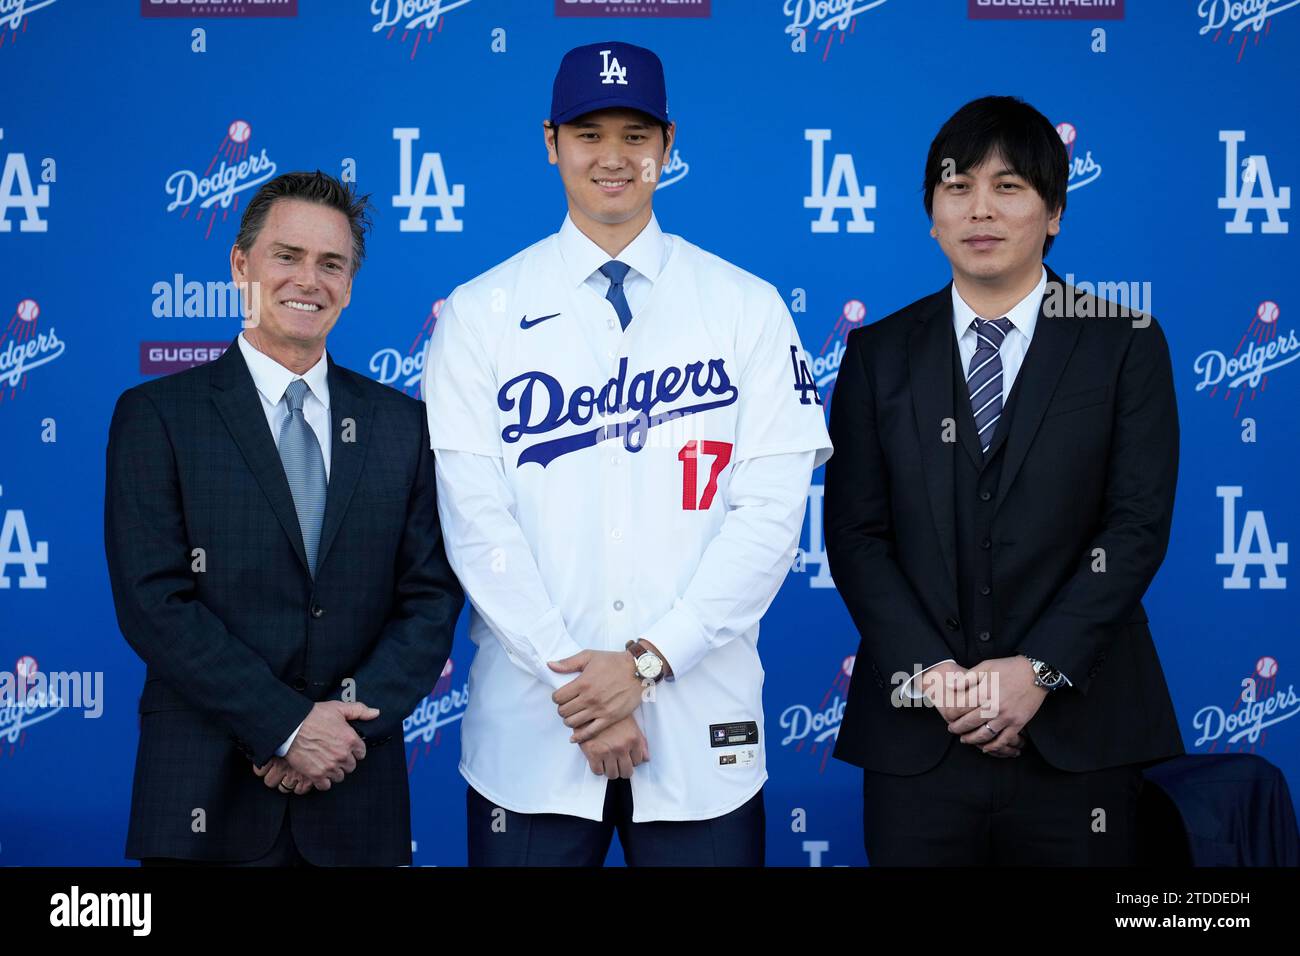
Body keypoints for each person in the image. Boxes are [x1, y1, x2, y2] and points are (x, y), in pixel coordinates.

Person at [422, 41, 832, 866]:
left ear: (668, 147)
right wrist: (586, 691)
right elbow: (475, 524)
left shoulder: (746, 308)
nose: (613, 157)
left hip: (700, 731)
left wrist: (647, 662)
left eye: (635, 134)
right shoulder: (478, 314)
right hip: (535, 736)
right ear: (550, 142)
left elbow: (768, 522)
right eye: (588, 133)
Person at [825, 96, 1183, 866]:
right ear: (930, 213)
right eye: (957, 188)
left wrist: (1039, 671)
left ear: (1054, 212)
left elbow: (1136, 526)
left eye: (1009, 187)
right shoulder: (878, 355)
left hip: (1080, 738)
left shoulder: (1125, 344)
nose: (979, 209)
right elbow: (855, 535)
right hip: (918, 740)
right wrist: (934, 675)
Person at [105, 171, 463, 866]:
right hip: (203, 799)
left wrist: (337, 731)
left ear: (351, 284)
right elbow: (154, 604)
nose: (310, 279)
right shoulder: (157, 417)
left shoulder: (402, 426)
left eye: (332, 263)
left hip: (354, 796)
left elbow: (428, 601)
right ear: (241, 265)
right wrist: (288, 726)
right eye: (287, 256)